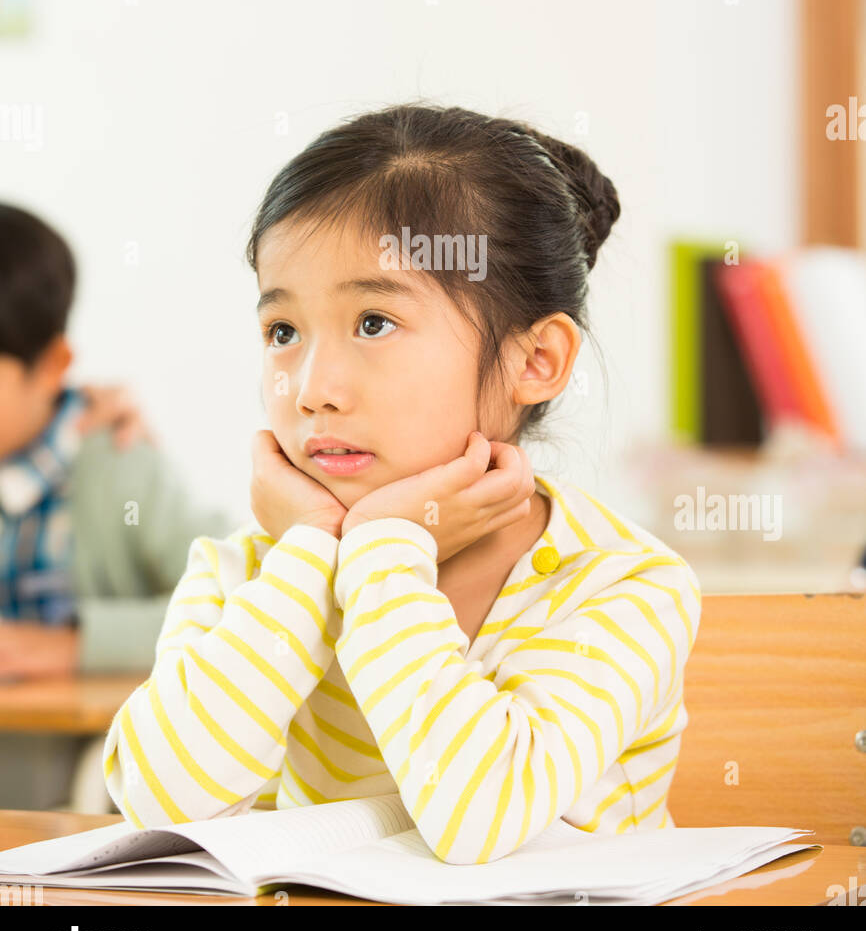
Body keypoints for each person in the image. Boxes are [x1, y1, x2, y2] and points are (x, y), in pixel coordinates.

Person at [103, 102, 702, 863]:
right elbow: (159, 806)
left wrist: (385, 547)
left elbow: (477, 818)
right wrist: (312, 558)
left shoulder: (621, 585)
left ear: (535, 361)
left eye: (374, 322)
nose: (313, 388)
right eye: (283, 332)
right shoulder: (252, 573)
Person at [0, 203, 235, 809]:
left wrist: (60, 647)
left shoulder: (119, 464)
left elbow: (236, 600)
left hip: (75, 807)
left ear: (52, 366)